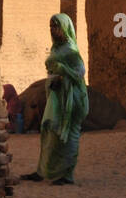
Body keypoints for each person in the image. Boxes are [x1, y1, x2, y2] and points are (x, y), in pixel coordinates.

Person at [21, 12, 88, 185]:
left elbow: (80, 73)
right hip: (57, 96)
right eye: (51, 26)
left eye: (56, 26)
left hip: (72, 98)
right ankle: (43, 171)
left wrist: (63, 71)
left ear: (65, 28)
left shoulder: (71, 50)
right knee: (49, 132)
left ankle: (67, 175)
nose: (52, 30)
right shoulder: (56, 48)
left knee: (69, 135)